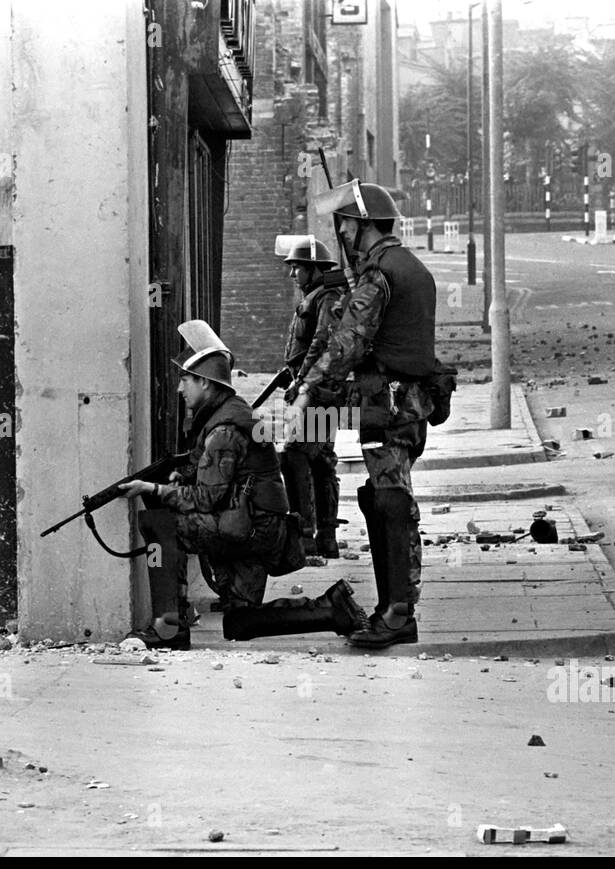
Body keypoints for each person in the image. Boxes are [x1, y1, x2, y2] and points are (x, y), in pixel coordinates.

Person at [118, 320, 367, 649]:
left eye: (185, 380)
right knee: (240, 621)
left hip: (249, 530)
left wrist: (155, 490)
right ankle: (332, 609)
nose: (180, 390)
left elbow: (207, 498)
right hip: (257, 526)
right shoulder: (228, 414)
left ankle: (169, 627)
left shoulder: (224, 429)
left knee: (159, 526)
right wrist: (185, 474)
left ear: (205, 383)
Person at [290, 181, 437, 650]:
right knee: (383, 498)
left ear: (365, 224)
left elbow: (349, 342)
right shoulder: (409, 267)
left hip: (388, 407)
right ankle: (392, 608)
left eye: (347, 224)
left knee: (391, 504)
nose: (344, 233)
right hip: (408, 403)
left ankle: (398, 613)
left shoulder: (379, 275)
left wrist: (309, 387)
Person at [278, 237, 347, 558]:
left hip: (317, 394)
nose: (293, 274)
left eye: (297, 267)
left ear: (315, 268)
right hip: (316, 391)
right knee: (319, 461)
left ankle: (305, 535)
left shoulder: (328, 297)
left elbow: (321, 343)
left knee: (293, 456)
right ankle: (326, 539)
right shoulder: (318, 296)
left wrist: (302, 382)